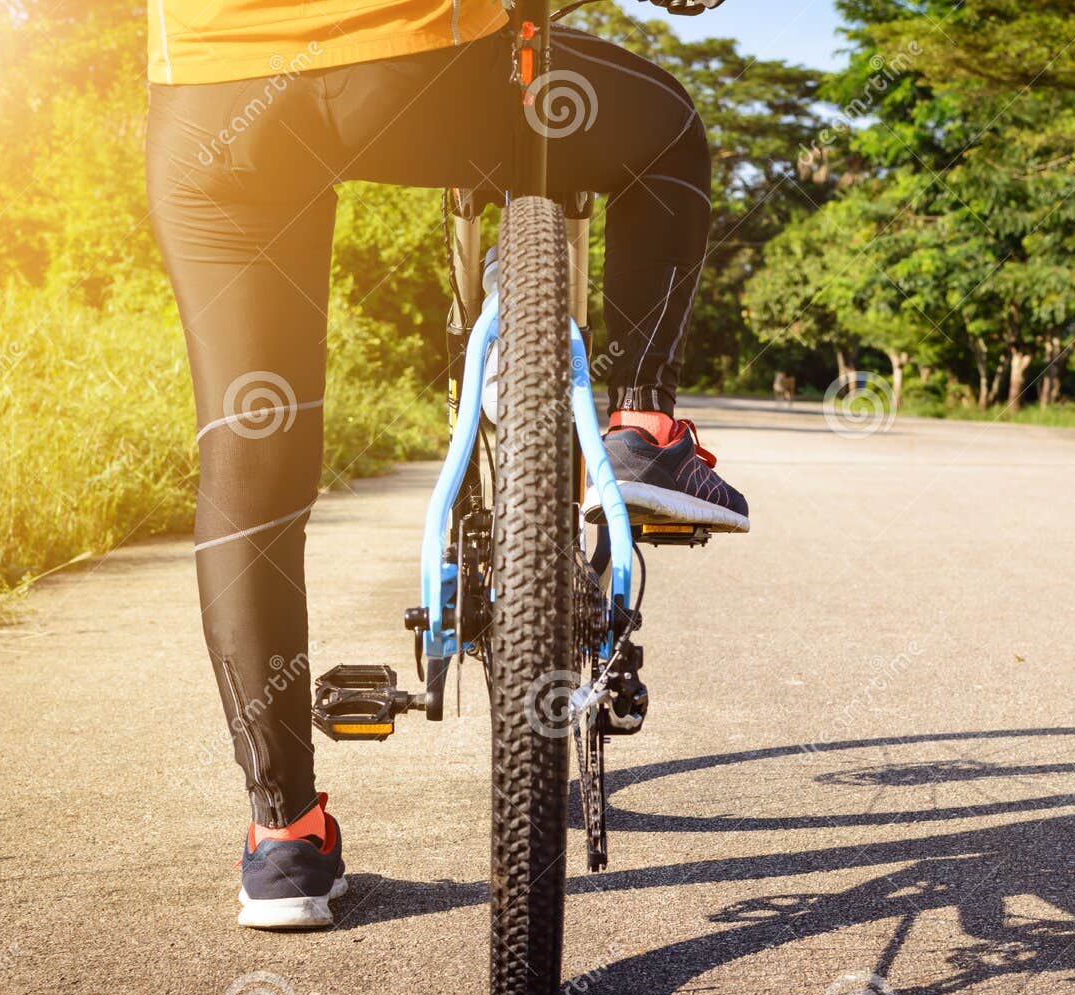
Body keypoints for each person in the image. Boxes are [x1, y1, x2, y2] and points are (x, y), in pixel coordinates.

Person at [144, 0, 747, 930]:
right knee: (666, 128)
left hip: (217, 98)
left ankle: (284, 838)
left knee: (250, 458)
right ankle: (637, 422)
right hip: (415, 72)